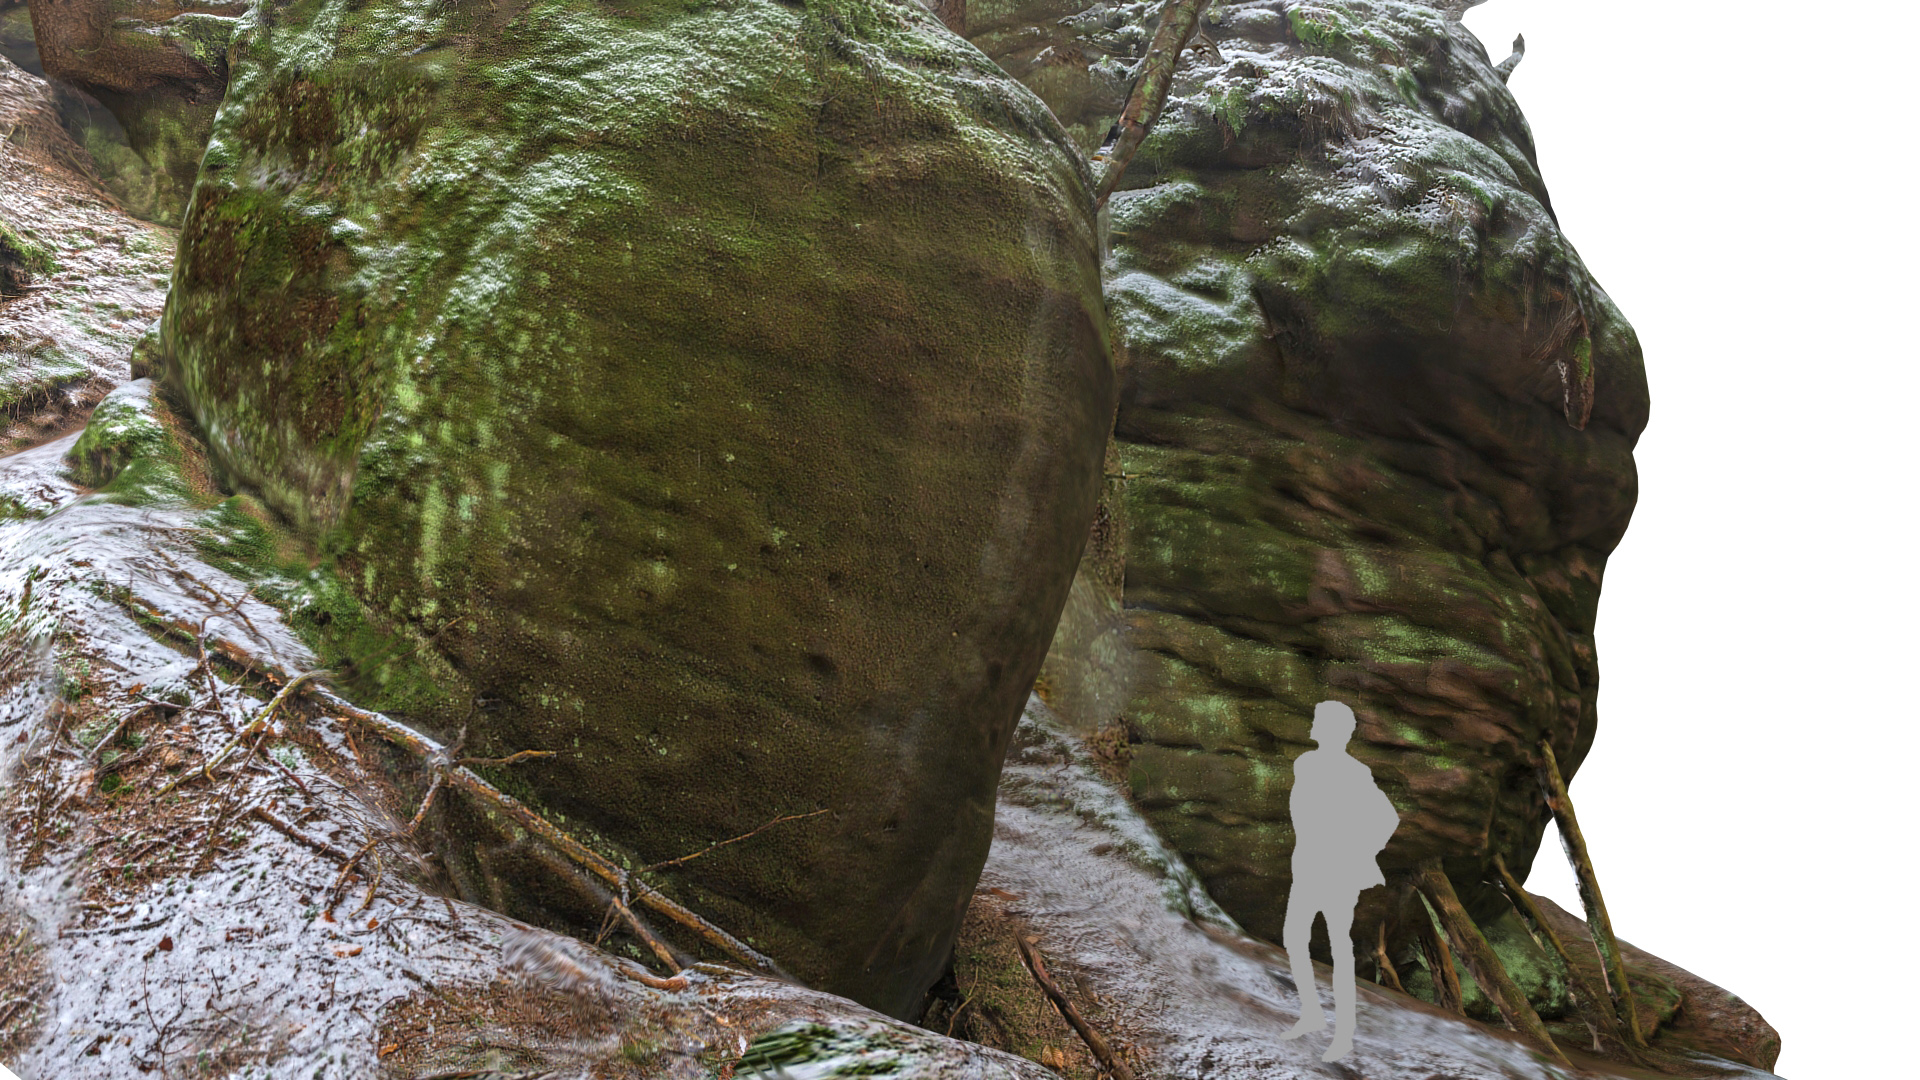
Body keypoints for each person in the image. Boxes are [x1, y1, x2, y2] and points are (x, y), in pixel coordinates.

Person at [1277, 699, 1401, 1062]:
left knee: (1338, 947)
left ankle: (1343, 1036)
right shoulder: (1305, 763)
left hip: (1337, 871)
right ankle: (1313, 1015)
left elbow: (1387, 817)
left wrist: (1361, 852)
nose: (1313, 726)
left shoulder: (1356, 773)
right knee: (1294, 938)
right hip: (1307, 867)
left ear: (1335, 731)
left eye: (1319, 722)